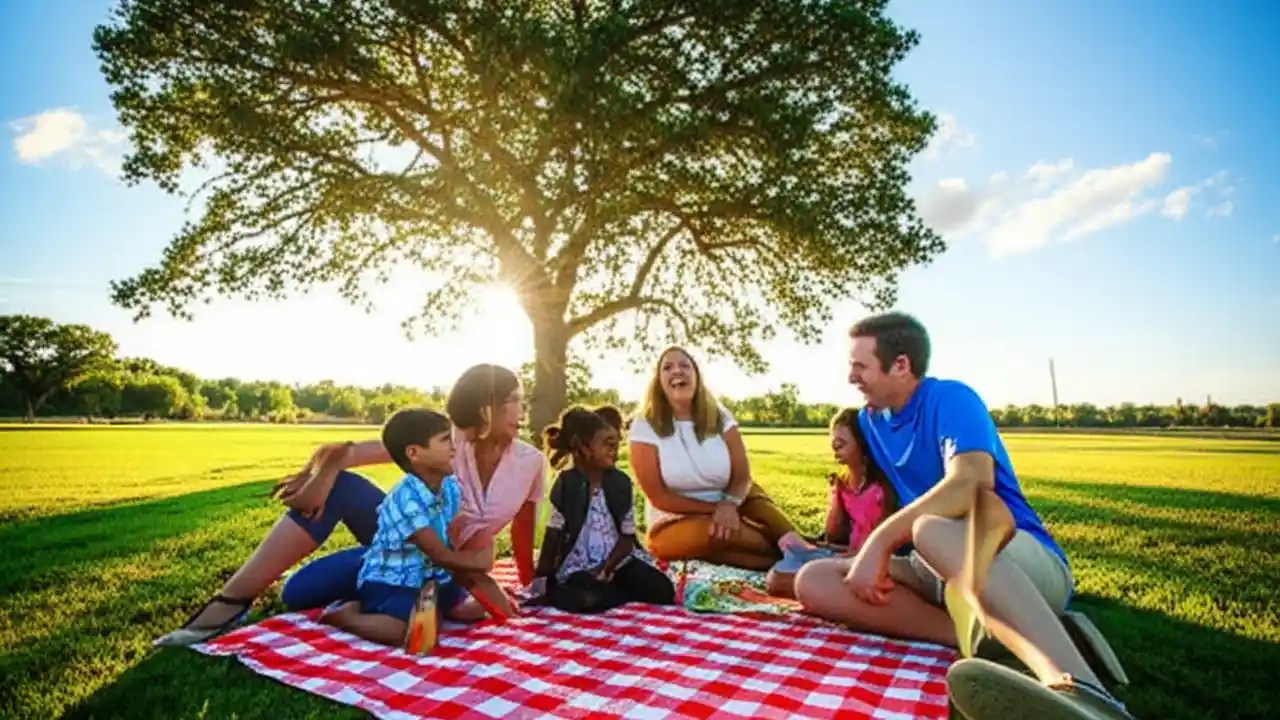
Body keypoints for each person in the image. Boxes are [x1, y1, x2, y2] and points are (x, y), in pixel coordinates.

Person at [792, 312, 1133, 720]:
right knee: (814, 580)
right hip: (937, 567)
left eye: (859, 365)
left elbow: (970, 482)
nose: (851, 377)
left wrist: (881, 543)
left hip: (1013, 555)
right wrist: (870, 557)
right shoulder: (871, 421)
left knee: (931, 529)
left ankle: (1085, 693)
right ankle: (1018, 634)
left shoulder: (951, 398)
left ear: (901, 365)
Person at [155, 363, 543, 647]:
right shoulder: (445, 442)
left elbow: (524, 525)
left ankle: (372, 588)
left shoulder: (530, 462)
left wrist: (530, 582)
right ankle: (232, 599)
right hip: (417, 546)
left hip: (441, 567)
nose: (523, 411)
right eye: (515, 401)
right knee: (299, 589)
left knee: (436, 612)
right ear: (487, 407)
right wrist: (316, 481)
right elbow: (349, 454)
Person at [320, 408, 511, 646]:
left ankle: (434, 607)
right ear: (414, 453)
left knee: (470, 612)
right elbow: (439, 554)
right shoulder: (407, 499)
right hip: (395, 580)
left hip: (432, 577)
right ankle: (345, 616)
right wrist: (479, 563)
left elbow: (465, 527)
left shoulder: (449, 486)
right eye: (445, 441)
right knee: (406, 634)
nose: (454, 447)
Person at [628, 346, 807, 571]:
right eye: (668, 367)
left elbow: (742, 475)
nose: (677, 371)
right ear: (658, 381)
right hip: (675, 520)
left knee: (755, 502)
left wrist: (729, 504)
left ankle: (800, 554)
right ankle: (791, 559)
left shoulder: (720, 416)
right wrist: (717, 510)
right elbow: (658, 496)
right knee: (713, 533)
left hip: (734, 502)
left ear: (696, 375)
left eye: (685, 366)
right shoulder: (644, 425)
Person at [530, 406, 675, 613]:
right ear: (584, 447)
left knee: (662, 590)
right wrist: (540, 582)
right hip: (578, 567)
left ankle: (611, 592)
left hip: (616, 562)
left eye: (617, 445)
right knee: (587, 598)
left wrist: (607, 568)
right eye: (608, 445)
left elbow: (627, 538)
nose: (615, 451)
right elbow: (553, 537)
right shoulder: (566, 484)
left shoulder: (621, 484)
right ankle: (598, 594)